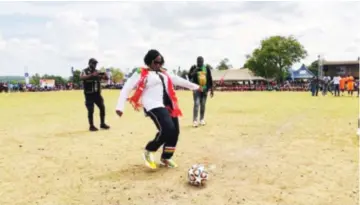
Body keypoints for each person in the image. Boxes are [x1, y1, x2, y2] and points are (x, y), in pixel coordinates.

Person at [115, 49, 201, 169]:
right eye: (156, 62)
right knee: (167, 129)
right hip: (153, 105)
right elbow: (127, 88)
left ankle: (166, 157)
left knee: (175, 132)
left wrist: (196, 87)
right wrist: (120, 106)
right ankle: (149, 150)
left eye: (161, 63)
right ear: (149, 61)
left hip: (168, 105)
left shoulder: (163, 73)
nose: (159, 65)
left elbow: (178, 80)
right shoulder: (140, 73)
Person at [80, 58, 110, 131]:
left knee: (102, 108)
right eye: (93, 63)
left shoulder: (97, 71)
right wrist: (92, 75)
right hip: (89, 94)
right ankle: (91, 126)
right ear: (89, 63)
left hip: (97, 94)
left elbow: (106, 79)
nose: (95, 65)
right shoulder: (85, 71)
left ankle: (102, 124)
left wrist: (105, 74)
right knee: (91, 110)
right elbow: (81, 78)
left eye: (96, 64)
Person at [188, 56, 214, 127]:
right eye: (198, 61)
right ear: (196, 61)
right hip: (196, 89)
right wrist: (195, 71)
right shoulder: (193, 67)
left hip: (205, 90)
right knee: (196, 104)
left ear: (203, 61)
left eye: (201, 61)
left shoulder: (206, 68)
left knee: (203, 105)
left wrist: (212, 89)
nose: (199, 63)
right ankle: (195, 121)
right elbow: (189, 76)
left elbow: (210, 78)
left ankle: (202, 119)